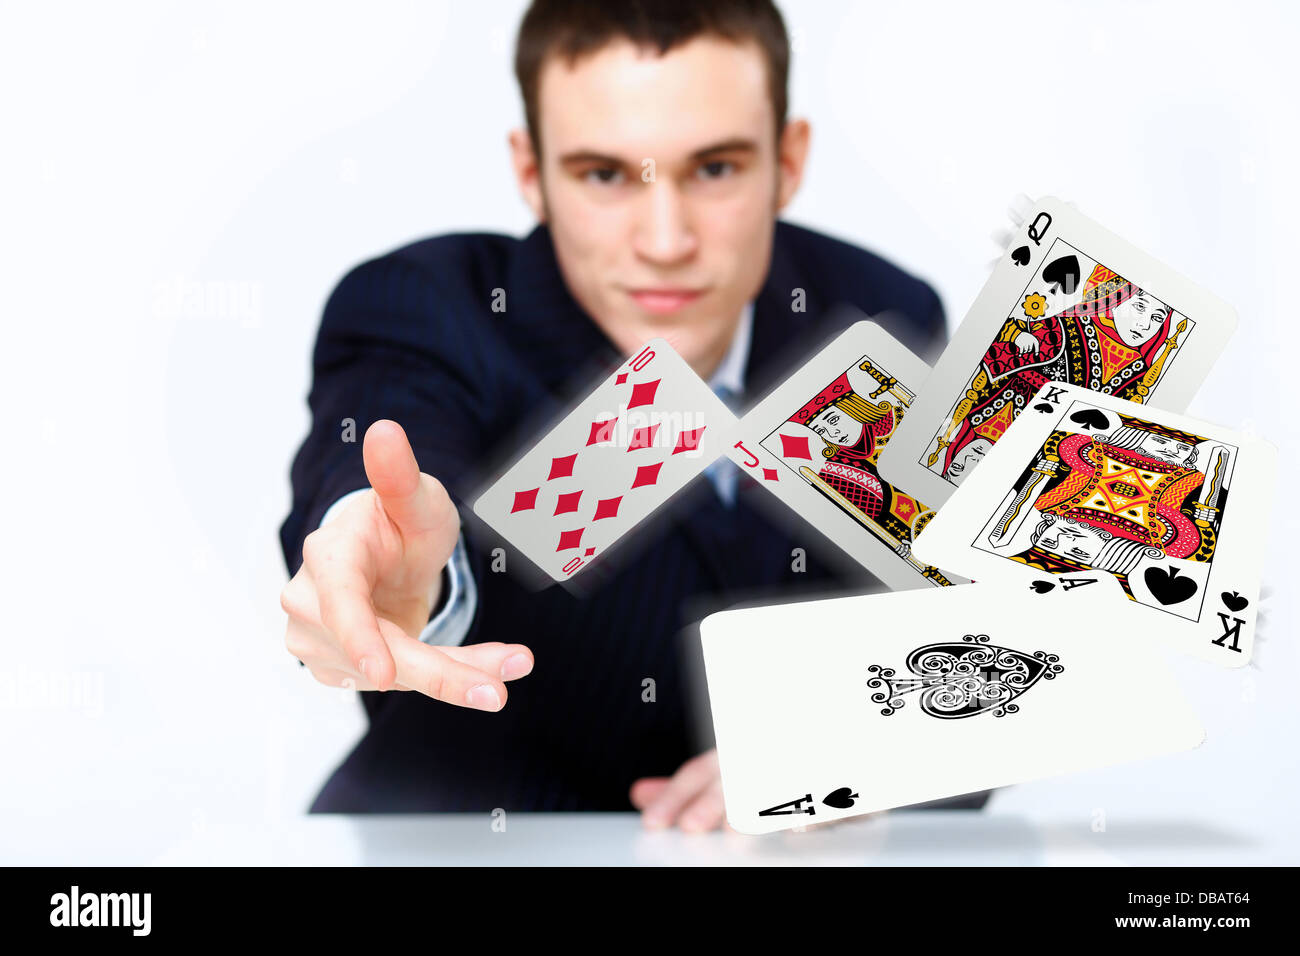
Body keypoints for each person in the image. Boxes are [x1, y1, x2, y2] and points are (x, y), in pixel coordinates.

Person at [279, 0, 977, 828]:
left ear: (788, 161)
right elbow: (387, 424)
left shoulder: (879, 315)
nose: (665, 239)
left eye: (715, 168)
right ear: (531, 171)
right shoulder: (430, 309)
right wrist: (402, 573)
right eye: (605, 176)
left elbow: (968, 625)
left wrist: (880, 740)